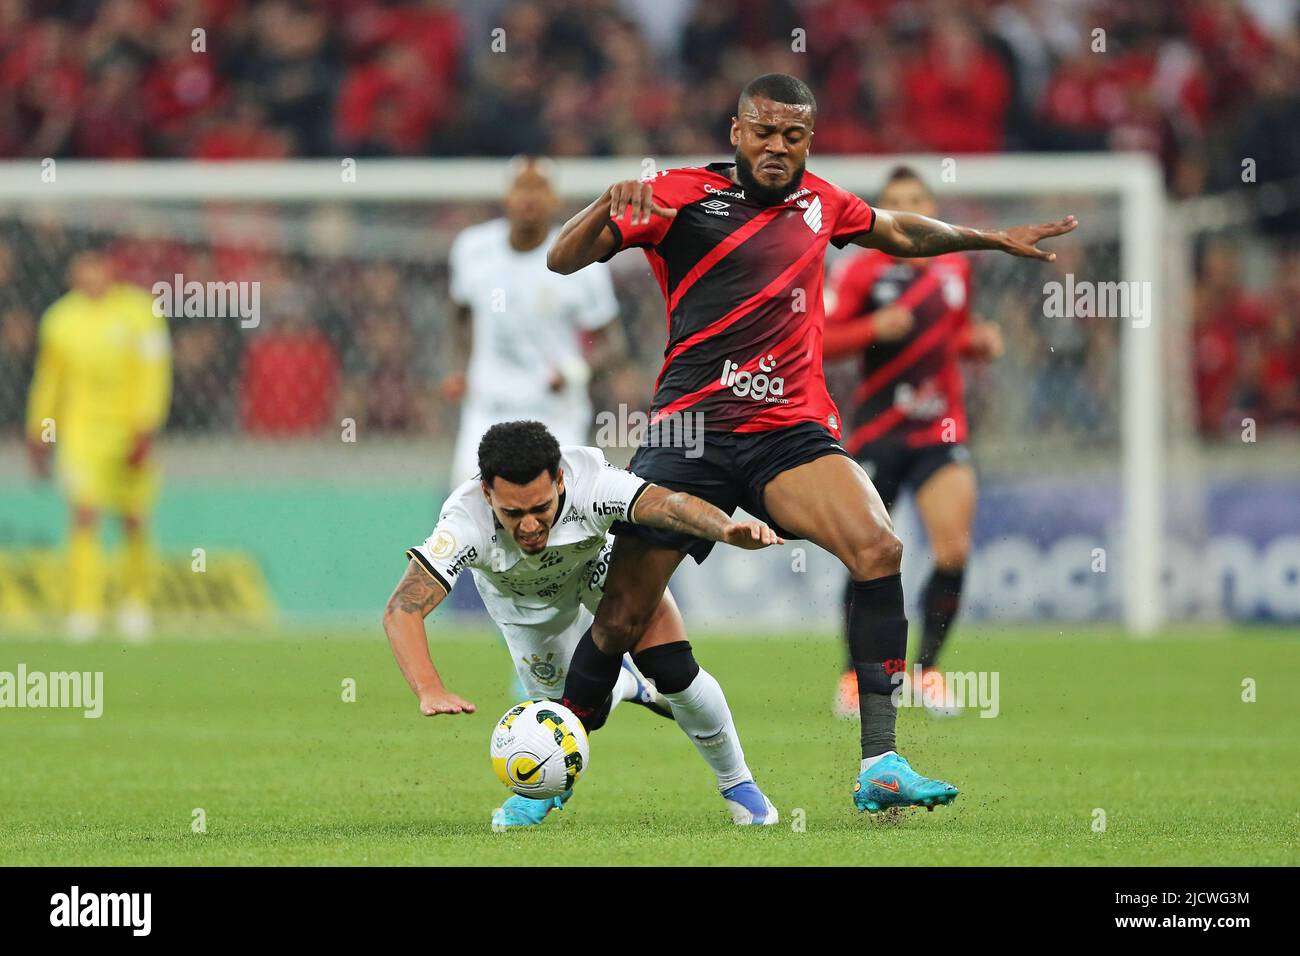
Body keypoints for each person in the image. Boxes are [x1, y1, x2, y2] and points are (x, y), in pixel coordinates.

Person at [546, 73, 1075, 814]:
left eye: (793, 136)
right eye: (763, 132)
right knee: (623, 617)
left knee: (878, 548)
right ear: (736, 132)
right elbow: (561, 262)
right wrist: (605, 201)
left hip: (788, 432)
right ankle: (552, 765)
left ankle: (880, 761)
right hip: (691, 432)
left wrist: (987, 240)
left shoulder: (822, 202)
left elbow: (898, 230)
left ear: (808, 141)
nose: (777, 147)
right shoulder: (677, 193)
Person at [383, 420, 783, 828]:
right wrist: (429, 688)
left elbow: (668, 504)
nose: (529, 526)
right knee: (570, 720)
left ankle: (740, 786)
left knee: (672, 669)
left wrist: (725, 529)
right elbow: (403, 608)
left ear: (558, 480)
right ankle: (621, 689)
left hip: (601, 571)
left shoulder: (590, 481)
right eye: (512, 513)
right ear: (487, 493)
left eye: (540, 508)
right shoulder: (464, 521)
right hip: (528, 611)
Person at [823, 166, 1004, 718]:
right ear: (883, 212)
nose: (909, 209)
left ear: (931, 207)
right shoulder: (859, 270)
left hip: (940, 429)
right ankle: (856, 676)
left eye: (917, 200)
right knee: (867, 557)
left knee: (953, 550)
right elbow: (820, 338)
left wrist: (978, 343)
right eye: (897, 201)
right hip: (879, 431)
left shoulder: (954, 268)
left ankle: (928, 671)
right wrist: (872, 330)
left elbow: (952, 335)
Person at [441, 156, 623, 484]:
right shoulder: (472, 249)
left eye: (539, 189)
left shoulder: (582, 258)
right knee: (472, 513)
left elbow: (612, 342)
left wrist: (573, 372)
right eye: (521, 188)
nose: (529, 198)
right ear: (506, 197)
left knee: (556, 516)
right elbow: (462, 315)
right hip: (488, 409)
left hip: (554, 413)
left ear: (555, 200)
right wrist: (460, 368)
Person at [26, 249, 172, 641]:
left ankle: (135, 604)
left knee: (133, 519)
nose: (88, 275)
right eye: (81, 267)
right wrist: (40, 430)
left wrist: (146, 426)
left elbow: (153, 373)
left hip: (129, 431)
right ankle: (84, 609)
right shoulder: (60, 319)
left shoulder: (140, 313)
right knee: (84, 516)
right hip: (81, 434)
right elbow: (50, 380)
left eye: (96, 265)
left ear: (110, 268)